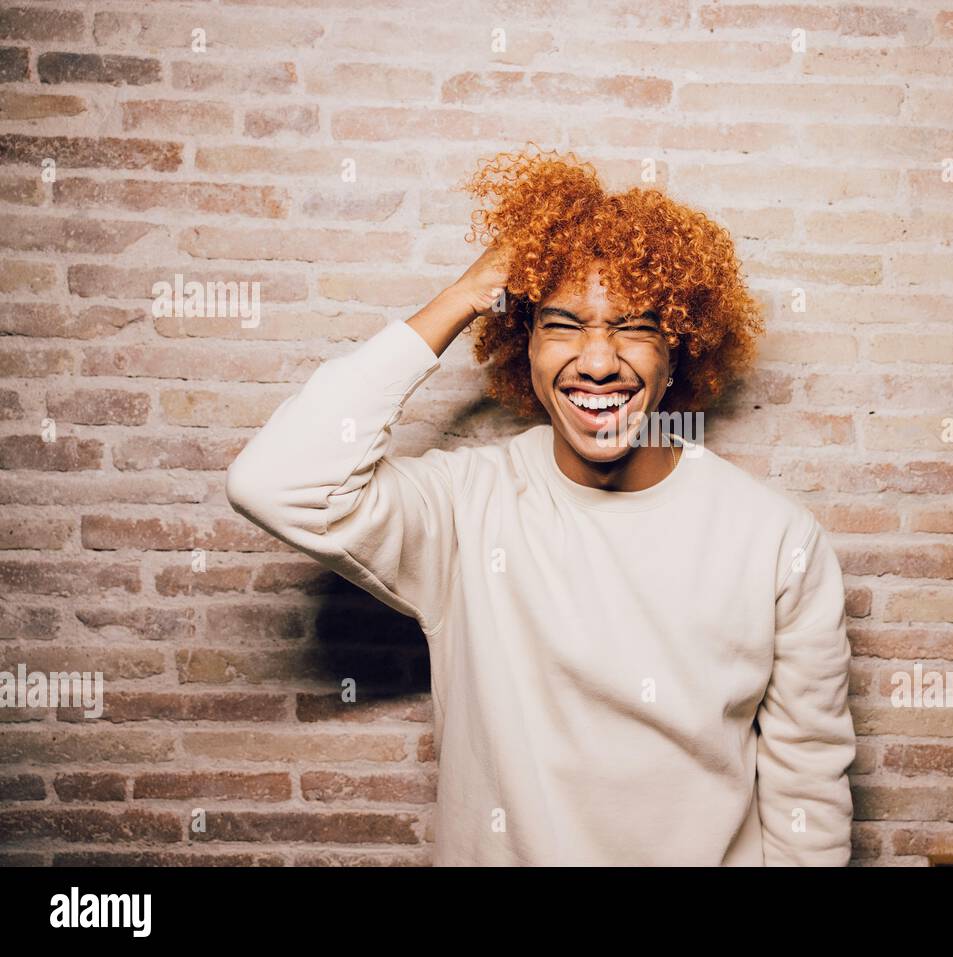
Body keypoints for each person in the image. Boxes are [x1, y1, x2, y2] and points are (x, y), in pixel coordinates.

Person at [224, 145, 857, 866]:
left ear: (676, 352)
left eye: (634, 325)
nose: (596, 360)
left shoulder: (776, 541)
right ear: (521, 346)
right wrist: (464, 294)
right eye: (562, 325)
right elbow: (273, 482)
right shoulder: (465, 509)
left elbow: (809, 792)